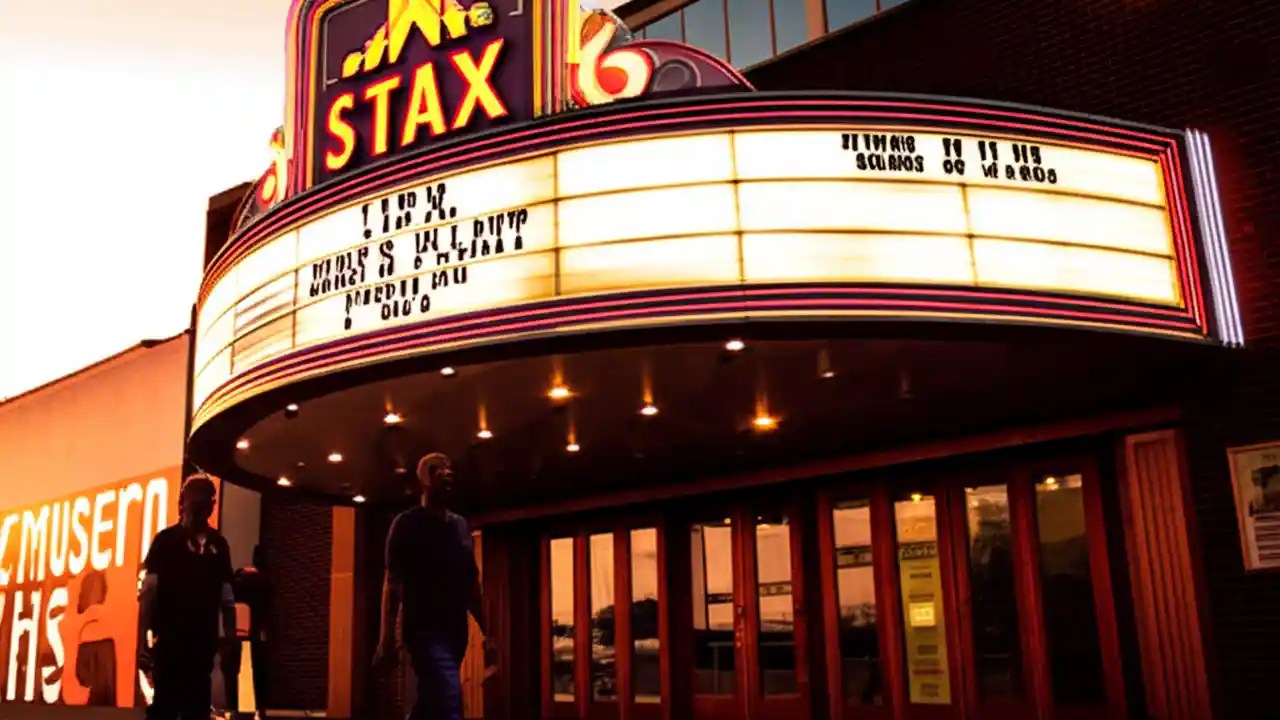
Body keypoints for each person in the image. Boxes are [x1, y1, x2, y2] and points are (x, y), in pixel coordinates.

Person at [374, 452, 493, 720]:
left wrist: (489, 633)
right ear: (423, 479)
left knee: (431, 700)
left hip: (455, 631)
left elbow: (470, 583)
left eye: (448, 468)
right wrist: (387, 638)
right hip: (422, 630)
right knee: (449, 696)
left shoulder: (460, 526)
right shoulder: (405, 525)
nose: (444, 472)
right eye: (435, 468)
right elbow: (392, 582)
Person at [137, 474, 237, 720]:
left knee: (186, 707)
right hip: (175, 643)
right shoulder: (168, 542)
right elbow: (149, 593)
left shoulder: (216, 546)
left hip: (198, 645)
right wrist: (142, 641)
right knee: (175, 706)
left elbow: (226, 598)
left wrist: (230, 639)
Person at [223, 544, 272, 719]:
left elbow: (229, 597)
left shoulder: (240, 575)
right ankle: (260, 709)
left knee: (232, 668)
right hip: (259, 630)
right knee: (259, 669)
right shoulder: (267, 580)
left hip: (237, 629)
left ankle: (232, 708)